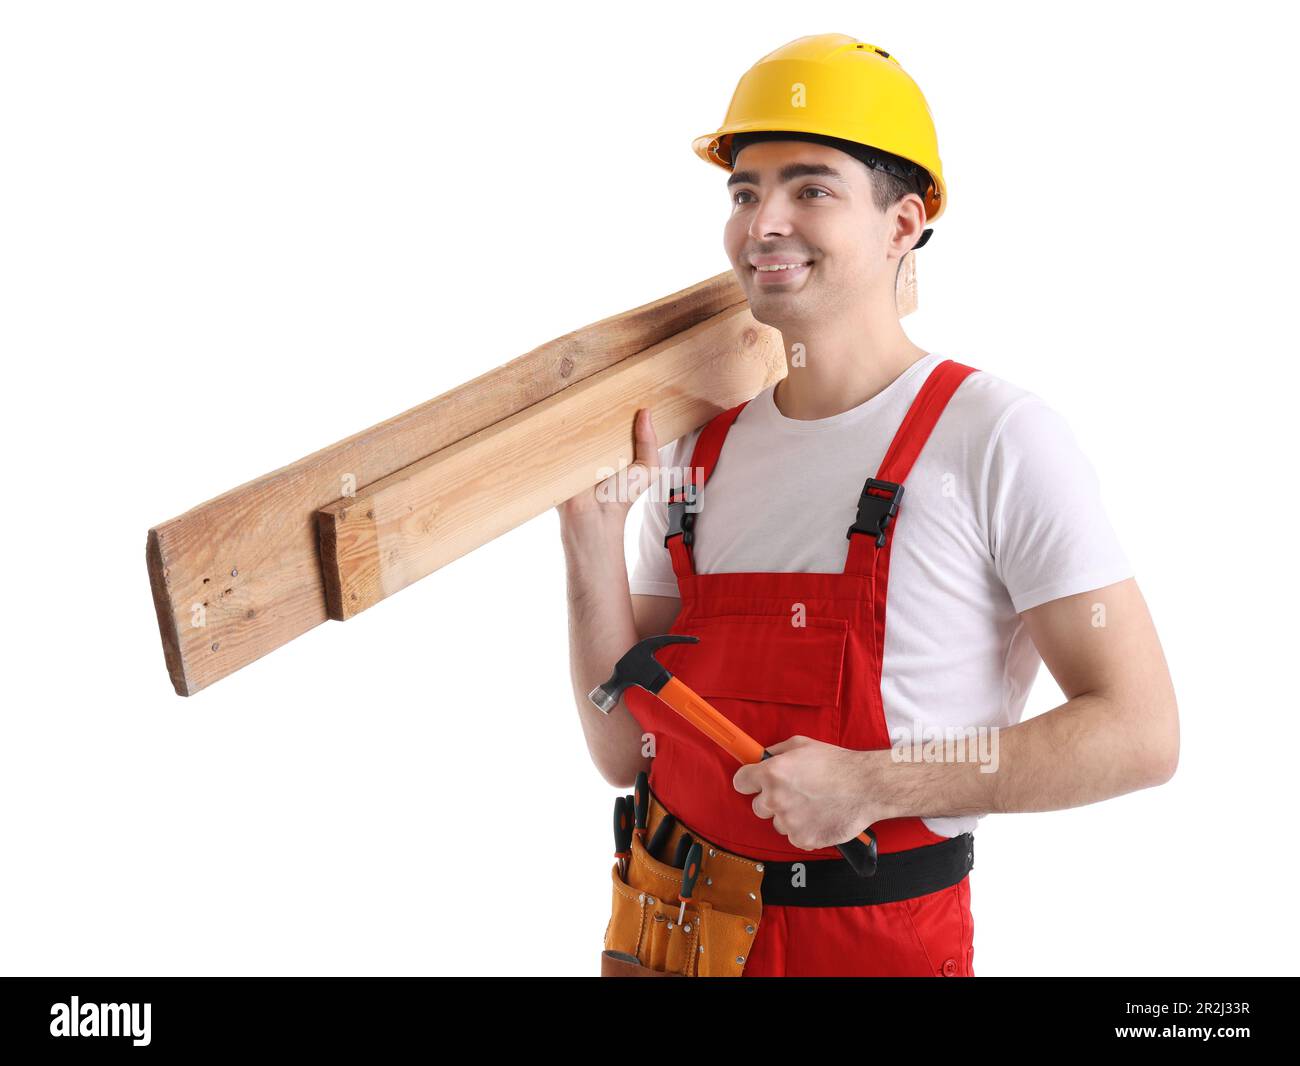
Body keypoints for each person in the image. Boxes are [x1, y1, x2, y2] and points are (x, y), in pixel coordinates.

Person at [557, 33, 1178, 977]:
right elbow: (624, 750)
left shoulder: (994, 437)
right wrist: (589, 550)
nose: (763, 221)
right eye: (744, 190)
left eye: (811, 189)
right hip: (669, 937)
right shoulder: (696, 448)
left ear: (904, 222)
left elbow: (1139, 731)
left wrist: (872, 784)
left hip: (869, 949)